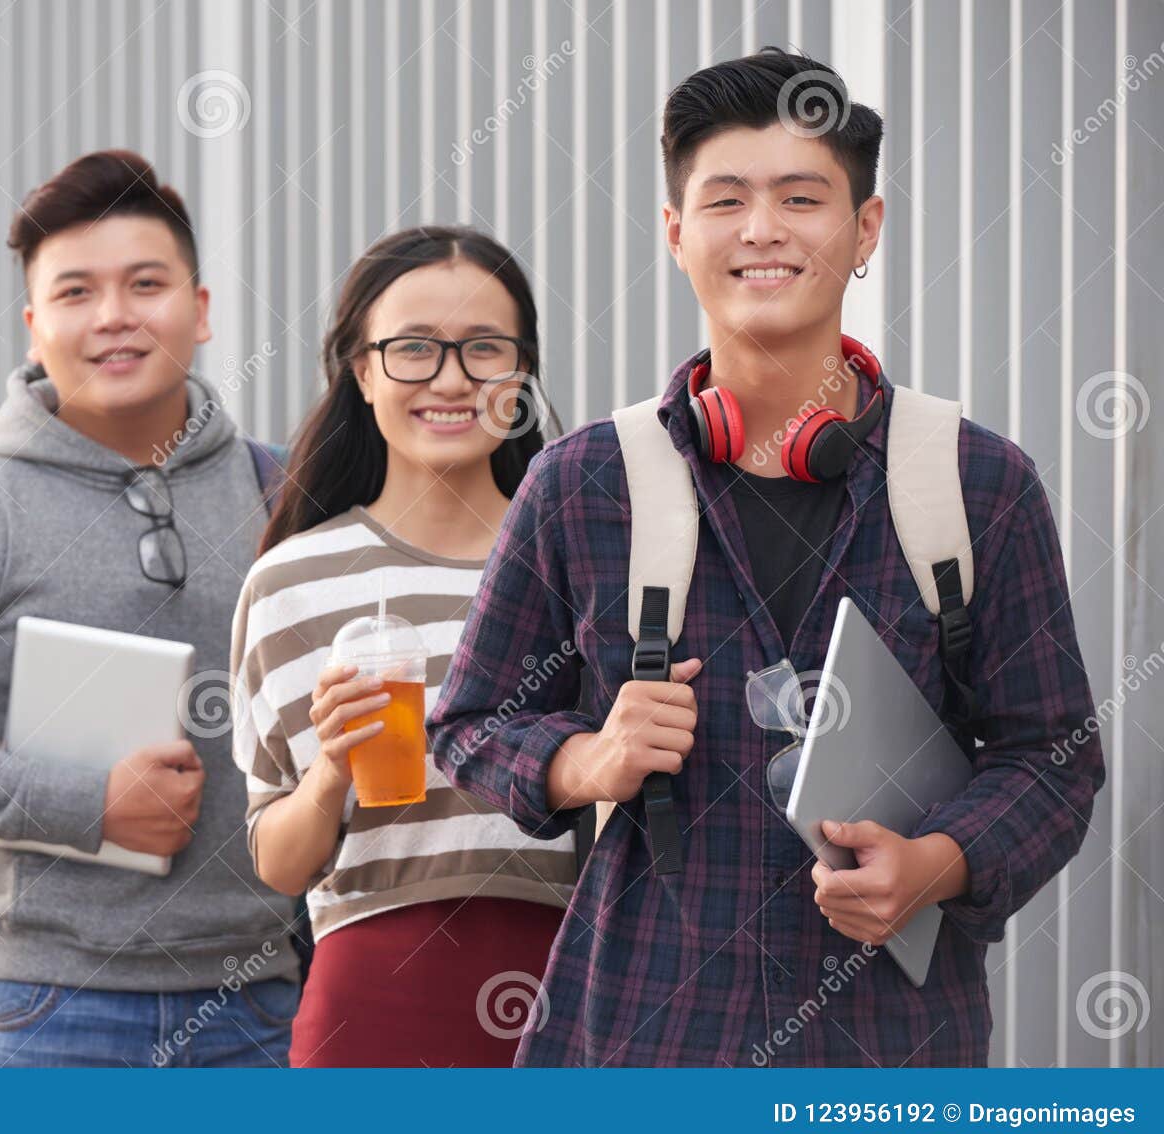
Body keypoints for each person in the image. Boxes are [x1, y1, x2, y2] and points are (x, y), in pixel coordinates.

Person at [426, 49, 1104, 1066]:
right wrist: (587, 758)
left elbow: (1053, 763)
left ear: (863, 230)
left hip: (893, 1046)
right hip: (639, 1036)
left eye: (801, 197)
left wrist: (940, 860)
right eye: (725, 200)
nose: (761, 231)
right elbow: (470, 722)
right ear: (674, 232)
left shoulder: (977, 485)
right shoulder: (583, 482)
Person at [0, 149, 301, 1067]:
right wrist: (90, 804)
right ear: (34, 324)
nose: (115, 316)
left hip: (258, 1004)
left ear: (200, 312)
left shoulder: (281, 490)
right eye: (77, 292)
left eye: (146, 284)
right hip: (46, 1012)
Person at [229, 225, 574, 1067]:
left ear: (520, 372)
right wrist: (330, 775)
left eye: (484, 349)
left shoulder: (584, 564)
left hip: (579, 990)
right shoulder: (289, 586)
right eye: (414, 349)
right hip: (372, 1008)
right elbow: (278, 864)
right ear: (361, 370)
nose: (452, 379)